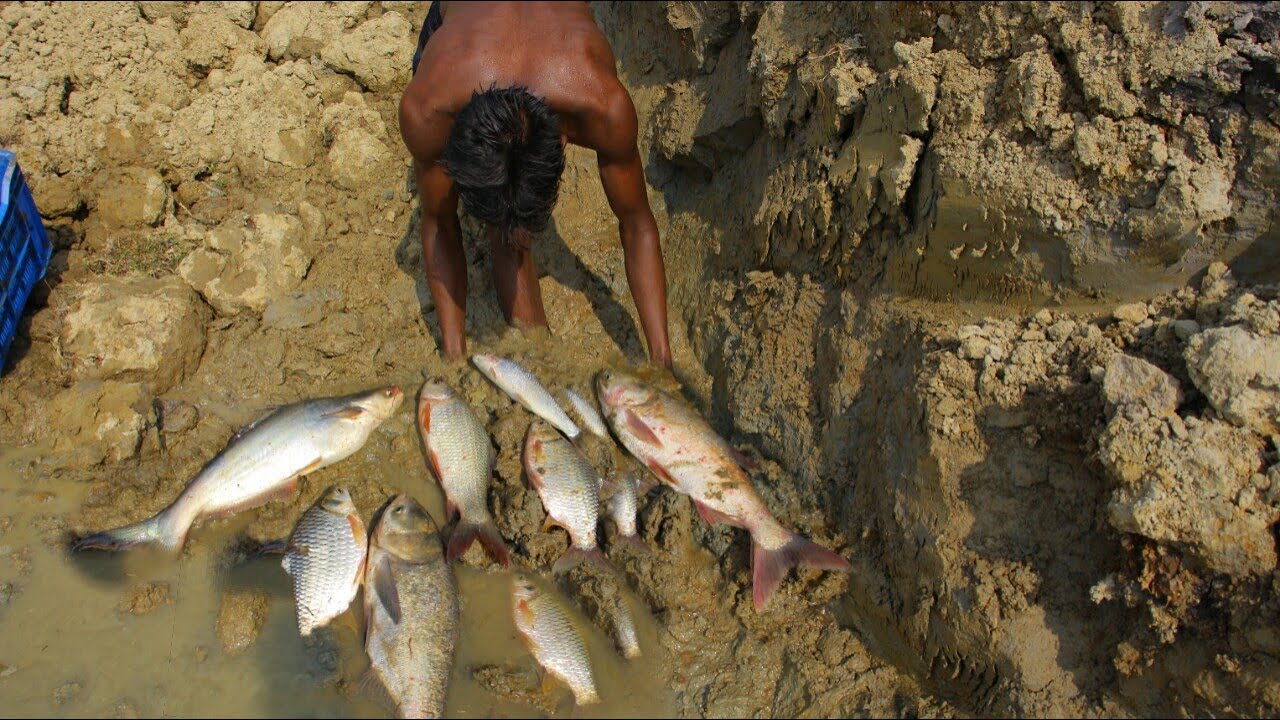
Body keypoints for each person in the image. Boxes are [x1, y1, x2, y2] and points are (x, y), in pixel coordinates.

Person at [399, 1, 672, 368]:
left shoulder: (603, 104)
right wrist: (454, 358)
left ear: (562, 139)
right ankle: (533, 342)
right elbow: (438, 222)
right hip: (465, 32)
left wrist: (662, 362)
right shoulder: (427, 107)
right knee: (505, 224)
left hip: (546, 41)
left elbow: (637, 223)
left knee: (513, 223)